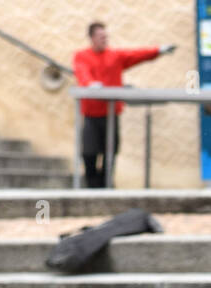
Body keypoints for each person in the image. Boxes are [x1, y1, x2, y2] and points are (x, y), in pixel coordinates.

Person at [72, 22, 174, 188]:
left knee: (110, 152)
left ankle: (106, 186)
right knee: (89, 152)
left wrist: (158, 51)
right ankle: (91, 187)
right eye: (101, 36)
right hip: (91, 114)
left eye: (106, 36)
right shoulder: (82, 56)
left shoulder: (114, 56)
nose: (104, 39)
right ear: (91, 38)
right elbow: (82, 72)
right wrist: (90, 84)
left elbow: (137, 55)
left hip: (111, 114)